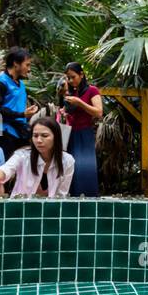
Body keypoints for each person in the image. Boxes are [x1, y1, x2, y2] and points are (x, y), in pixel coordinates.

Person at [0, 116, 74, 198]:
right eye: (35, 136)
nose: (39, 140)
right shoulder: (22, 155)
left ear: (56, 137)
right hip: (19, 211)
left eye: (44, 136)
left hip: (51, 213)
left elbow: (62, 195)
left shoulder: (68, 161)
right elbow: (6, 169)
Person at [57, 62, 102, 197]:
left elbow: (99, 112)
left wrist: (80, 103)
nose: (70, 80)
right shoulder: (71, 92)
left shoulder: (92, 90)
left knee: (85, 169)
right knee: (71, 169)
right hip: (69, 134)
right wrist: (63, 110)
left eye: (73, 77)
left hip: (84, 134)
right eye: (68, 78)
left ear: (82, 75)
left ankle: (88, 199)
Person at [0, 47, 38, 158]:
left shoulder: (21, 84)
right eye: (27, 65)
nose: (29, 69)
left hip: (19, 133)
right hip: (2, 134)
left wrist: (25, 115)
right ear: (16, 64)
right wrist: (21, 115)